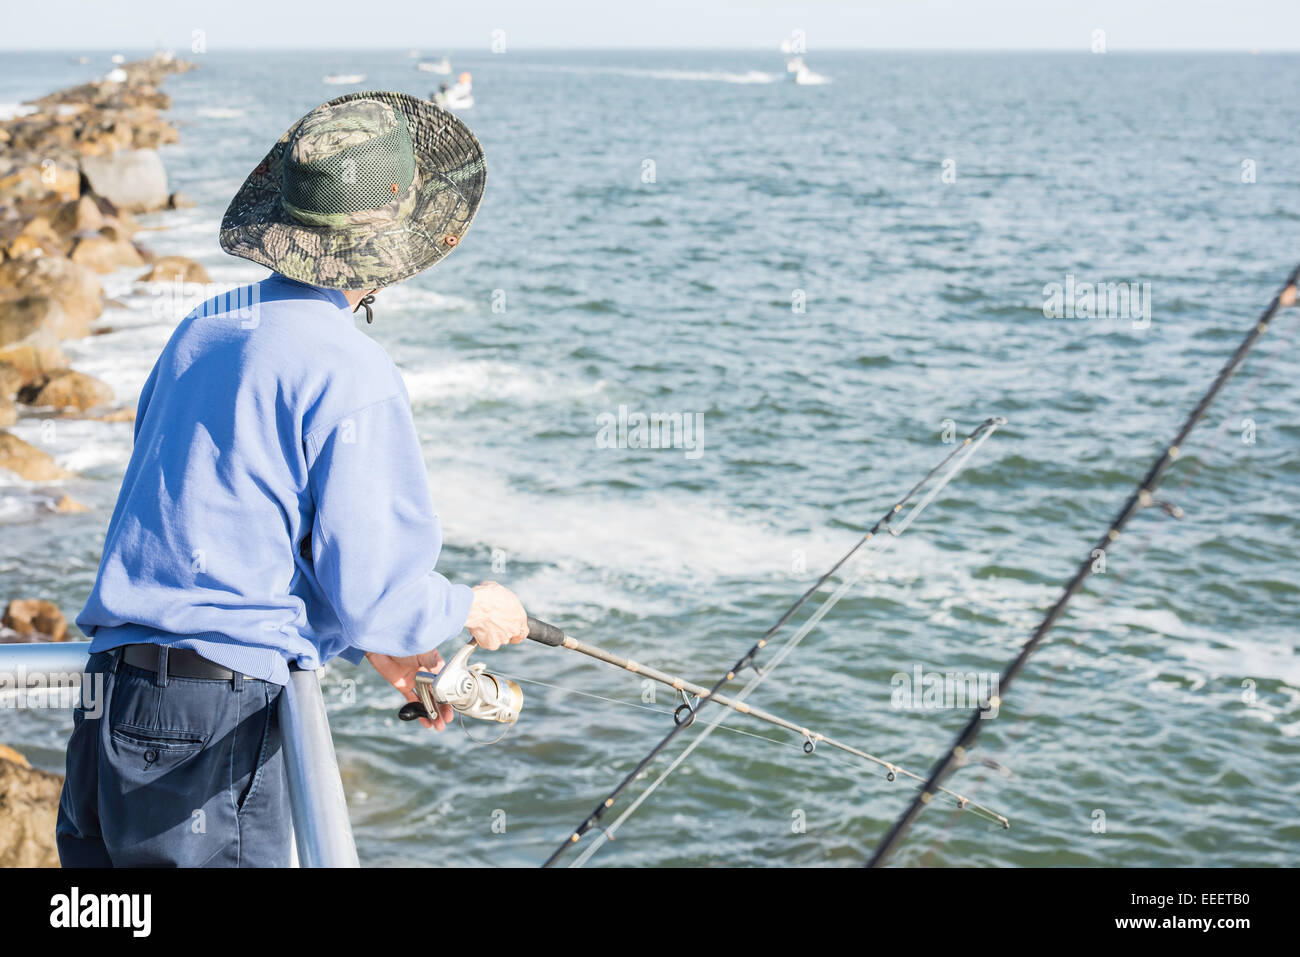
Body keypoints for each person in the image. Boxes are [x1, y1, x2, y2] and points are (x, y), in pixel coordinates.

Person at [56, 92, 517, 867]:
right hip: (210, 720)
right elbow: (383, 591)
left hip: (111, 695)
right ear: (391, 244)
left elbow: (213, 521)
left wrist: (368, 640)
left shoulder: (200, 331)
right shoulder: (352, 368)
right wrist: (470, 606)